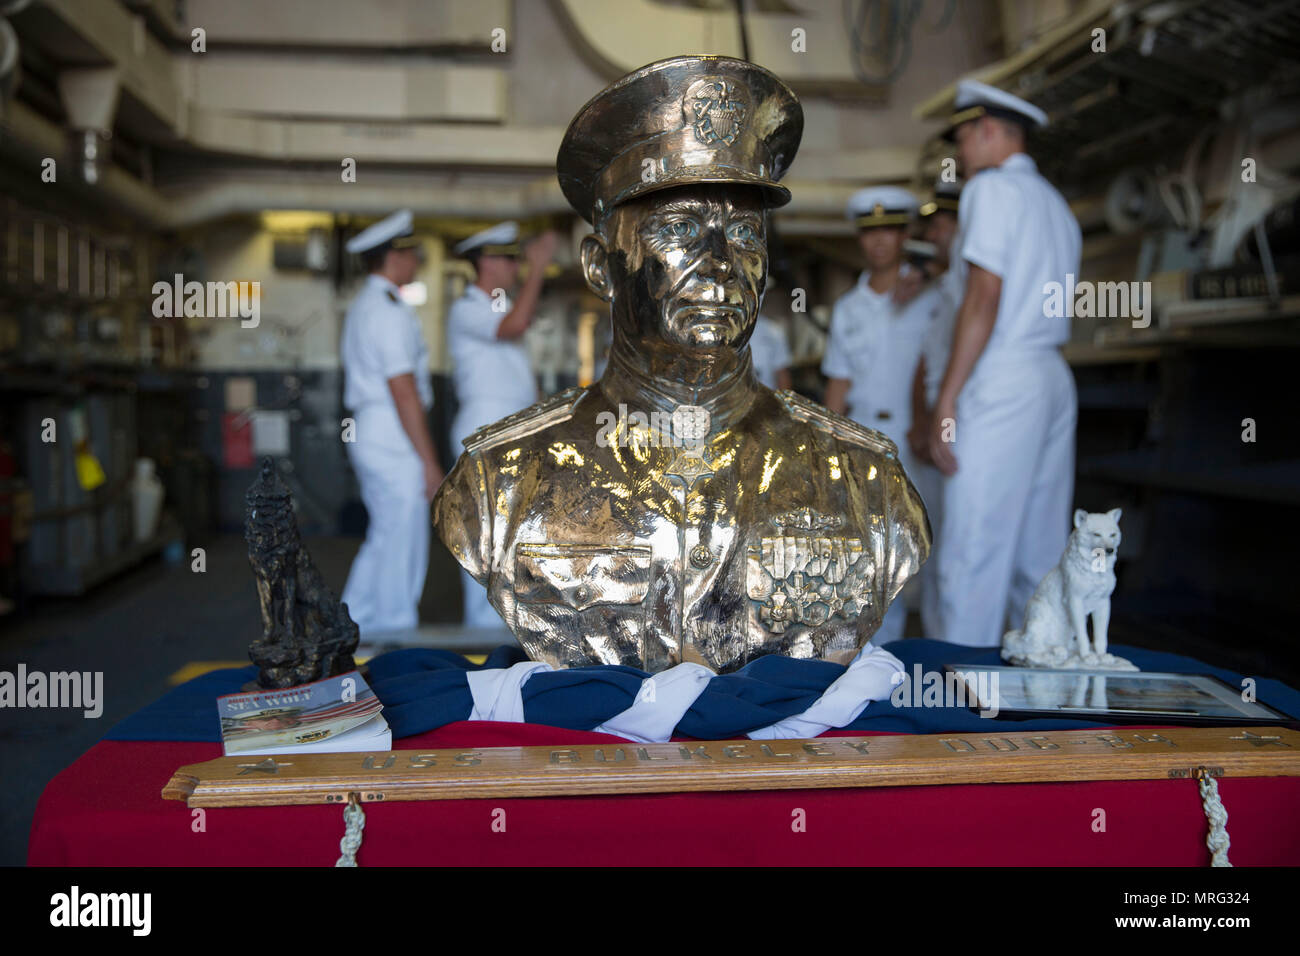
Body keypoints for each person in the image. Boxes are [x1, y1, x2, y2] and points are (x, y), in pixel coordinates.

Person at [432, 55, 929, 673]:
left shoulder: (864, 480)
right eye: (679, 228)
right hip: (596, 768)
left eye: (745, 234)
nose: (721, 260)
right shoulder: (500, 480)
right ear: (599, 267)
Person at [926, 79, 1082, 647]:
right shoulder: (1056, 205)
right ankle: (1043, 687)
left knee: (973, 550)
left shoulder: (989, 192)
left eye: (964, 138)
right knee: (1038, 552)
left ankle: (958, 703)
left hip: (1002, 376)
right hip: (1050, 375)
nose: (961, 154)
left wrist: (947, 397)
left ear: (988, 131)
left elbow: (984, 295)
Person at [821, 186, 942, 644]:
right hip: (867, 440)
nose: (878, 243)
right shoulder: (850, 309)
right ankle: (878, 666)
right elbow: (838, 384)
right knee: (876, 563)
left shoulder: (933, 295)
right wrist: (829, 460)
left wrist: (930, 268)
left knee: (935, 553)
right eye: (869, 234)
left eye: (889, 232)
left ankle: (935, 654)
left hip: (922, 440)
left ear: (905, 235)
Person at [446, 220, 557, 626]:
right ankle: (480, 625)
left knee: (511, 529)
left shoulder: (496, 304)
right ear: (486, 263)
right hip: (484, 425)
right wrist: (540, 267)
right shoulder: (468, 307)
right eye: (508, 260)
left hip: (509, 428)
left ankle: (503, 623)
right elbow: (515, 325)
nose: (517, 268)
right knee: (483, 531)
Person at [339, 209, 442, 634]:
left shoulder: (369, 305)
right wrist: (429, 462)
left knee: (384, 537)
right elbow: (403, 390)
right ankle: (397, 634)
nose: (417, 259)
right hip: (391, 432)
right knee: (403, 542)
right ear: (393, 257)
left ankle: (350, 625)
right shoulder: (387, 311)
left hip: (375, 429)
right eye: (412, 252)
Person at [907, 178, 962, 638]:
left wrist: (941, 414)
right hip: (942, 420)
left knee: (960, 547)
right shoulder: (943, 289)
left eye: (944, 226)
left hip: (965, 420)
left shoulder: (967, 288)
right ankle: (939, 646)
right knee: (938, 540)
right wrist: (924, 419)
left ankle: (959, 654)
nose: (934, 237)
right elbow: (925, 363)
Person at [749, 312, 793, 390]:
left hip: (766, 398)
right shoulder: (723, 331)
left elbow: (783, 375)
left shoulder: (773, 330)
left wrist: (781, 401)